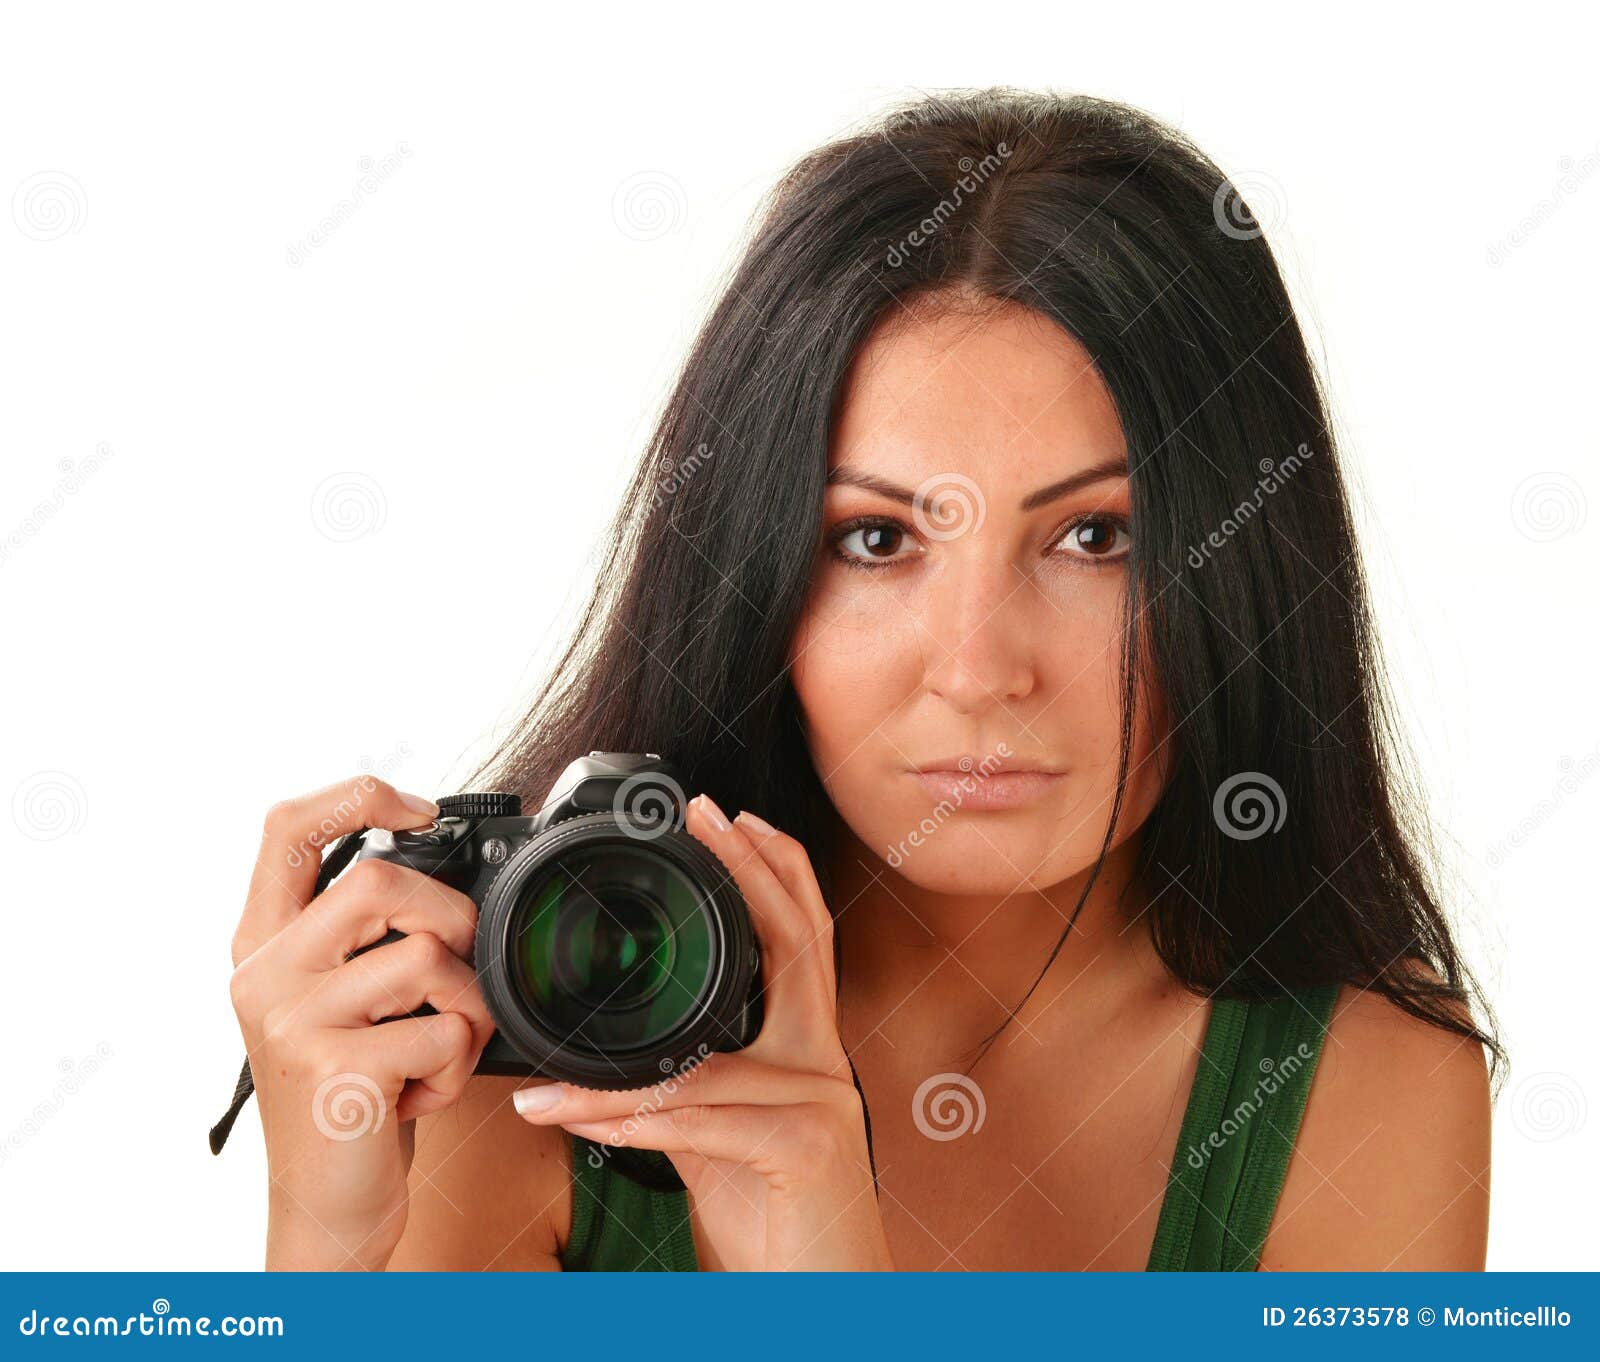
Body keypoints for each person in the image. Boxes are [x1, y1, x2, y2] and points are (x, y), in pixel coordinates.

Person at [228, 87, 1498, 1272]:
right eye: (877, 540)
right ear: (752, 570)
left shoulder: (1362, 1085)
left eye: (1094, 536)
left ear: (1248, 562)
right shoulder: (529, 1026)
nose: (977, 670)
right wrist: (323, 1246)